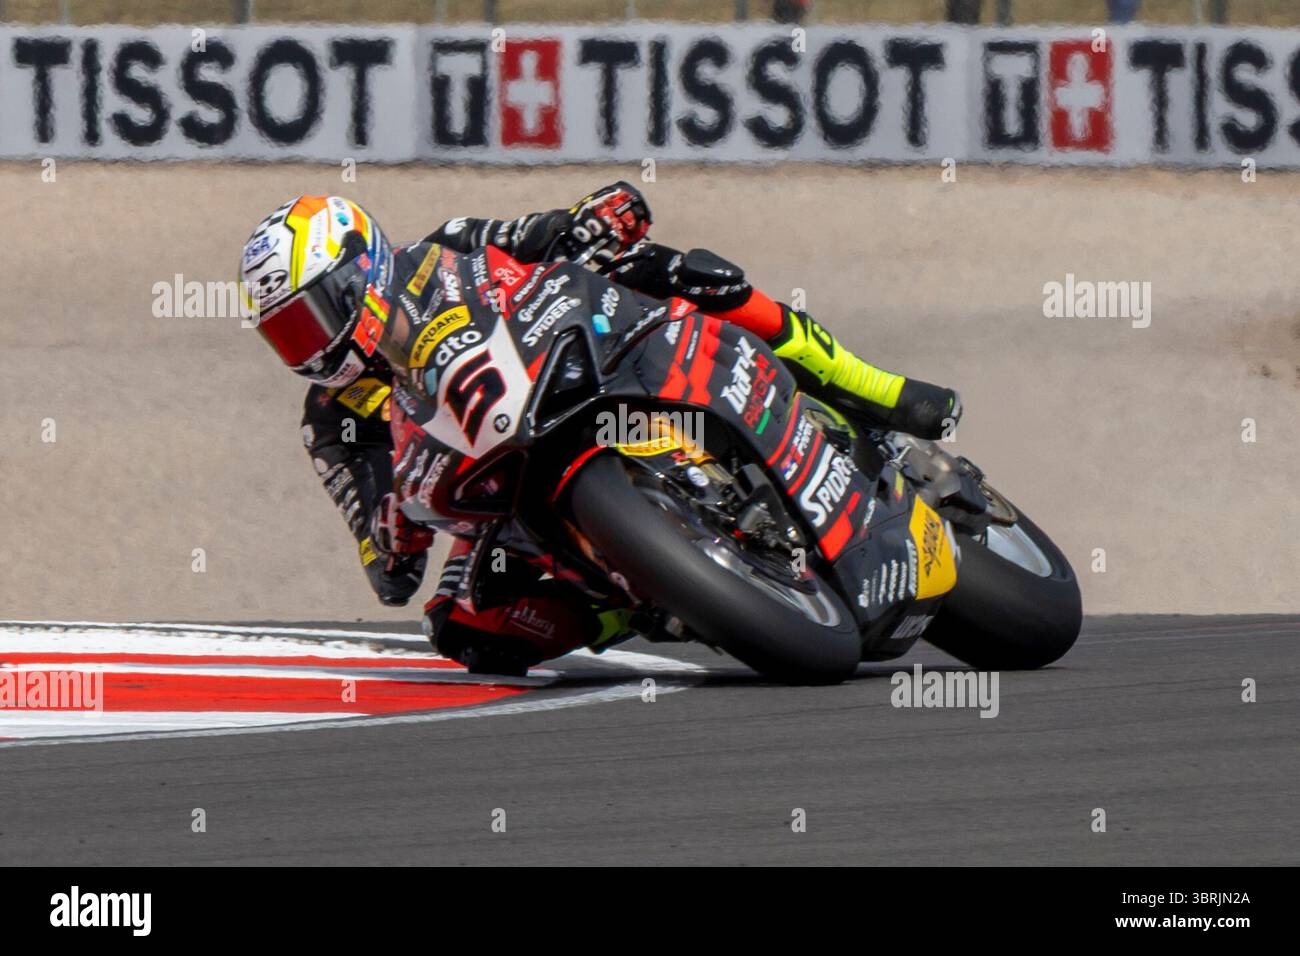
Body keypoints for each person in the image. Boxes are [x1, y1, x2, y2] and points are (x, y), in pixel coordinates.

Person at [239, 184, 961, 673]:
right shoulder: (333, 420)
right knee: (463, 629)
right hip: (494, 481)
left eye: (311, 318)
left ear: (358, 272)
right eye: (285, 337)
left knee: (686, 273)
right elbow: (385, 564)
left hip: (594, 361)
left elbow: (544, 234)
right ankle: (646, 605)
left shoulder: (447, 249)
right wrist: (390, 538)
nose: (309, 348)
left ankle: (873, 388)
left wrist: (593, 219)